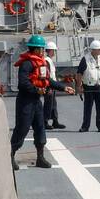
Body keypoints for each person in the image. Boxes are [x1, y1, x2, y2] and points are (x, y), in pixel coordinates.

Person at [11, 34, 65, 170]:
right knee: (22, 129)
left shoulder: (42, 63)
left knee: (40, 129)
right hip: (25, 101)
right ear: (34, 49)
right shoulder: (27, 64)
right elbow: (23, 84)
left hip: (36, 102)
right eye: (40, 49)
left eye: (43, 49)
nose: (42, 52)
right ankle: (10, 156)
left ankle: (40, 158)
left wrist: (64, 87)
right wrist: (37, 91)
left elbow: (48, 81)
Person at [77, 39, 100, 133]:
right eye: (99, 49)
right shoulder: (85, 59)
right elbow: (79, 73)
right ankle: (85, 126)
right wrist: (79, 86)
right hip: (89, 87)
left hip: (99, 87)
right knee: (88, 108)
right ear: (93, 50)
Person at [42, 39, 73, 129]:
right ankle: (45, 121)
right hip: (49, 87)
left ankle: (55, 121)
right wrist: (49, 87)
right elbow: (47, 76)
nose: (55, 52)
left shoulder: (49, 60)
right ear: (51, 50)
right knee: (48, 104)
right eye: (54, 50)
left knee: (53, 104)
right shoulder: (46, 61)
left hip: (52, 86)